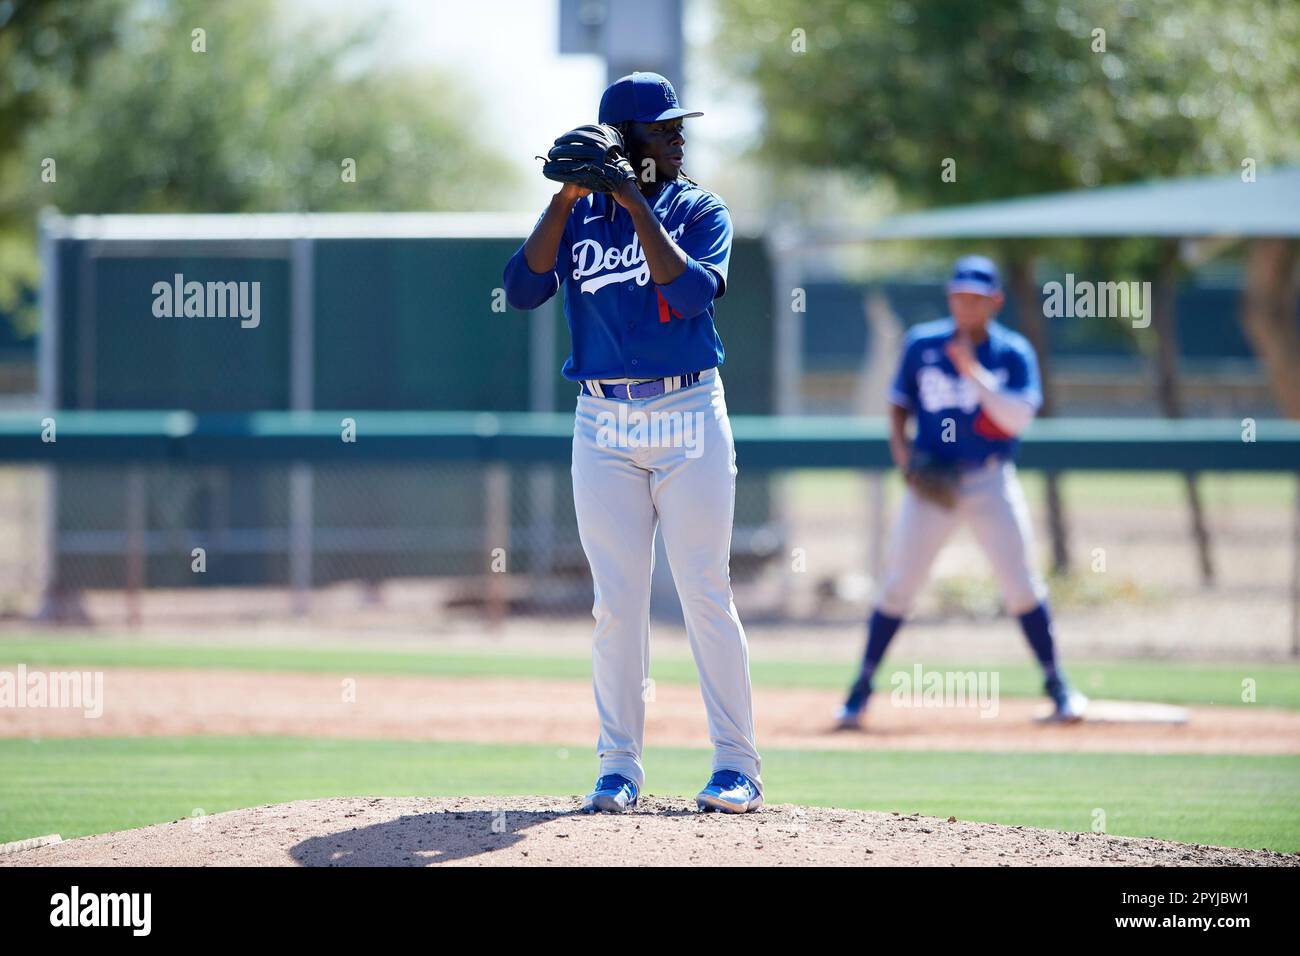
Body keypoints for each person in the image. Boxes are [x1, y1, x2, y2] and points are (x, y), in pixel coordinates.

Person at [502, 72, 763, 813]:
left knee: (705, 590)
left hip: (687, 409)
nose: (679, 137)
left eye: (680, 126)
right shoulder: (577, 216)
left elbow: (685, 294)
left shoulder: (698, 208)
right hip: (602, 421)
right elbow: (522, 288)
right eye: (664, 127)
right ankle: (618, 768)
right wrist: (564, 197)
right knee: (616, 603)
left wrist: (633, 200)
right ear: (624, 140)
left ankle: (736, 766)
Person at [836, 255, 1089, 729]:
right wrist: (905, 461)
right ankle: (859, 691)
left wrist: (972, 371)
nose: (965, 304)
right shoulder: (922, 343)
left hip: (990, 477)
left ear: (995, 300)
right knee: (897, 586)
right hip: (934, 484)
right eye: (958, 295)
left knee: (1021, 586)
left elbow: (1018, 416)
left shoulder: (1012, 352)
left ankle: (1058, 685)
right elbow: (898, 406)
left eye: (975, 297)